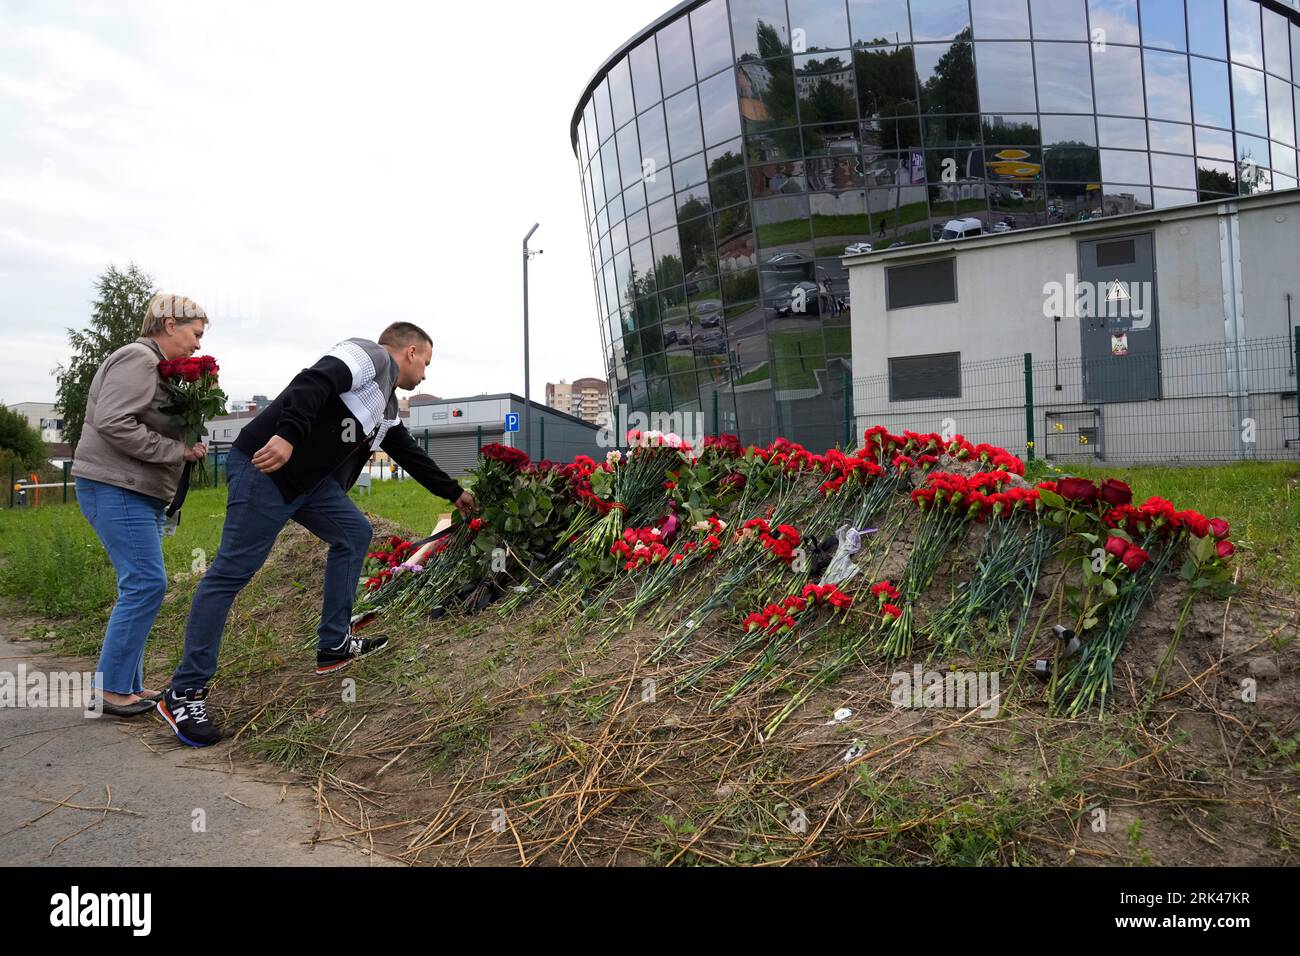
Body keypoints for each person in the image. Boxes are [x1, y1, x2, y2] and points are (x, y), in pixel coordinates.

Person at [158, 322, 476, 746]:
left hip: (308, 484)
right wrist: (288, 435)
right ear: (411, 352)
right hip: (267, 468)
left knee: (354, 532)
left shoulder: (385, 406)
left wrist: (453, 493)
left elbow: (406, 453)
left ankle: (334, 644)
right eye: (427, 364)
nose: (425, 376)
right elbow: (314, 381)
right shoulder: (369, 355)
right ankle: (184, 691)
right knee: (232, 572)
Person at [71, 294, 210, 717]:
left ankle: (125, 684)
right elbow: (113, 421)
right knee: (146, 584)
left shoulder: (155, 366)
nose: (198, 345)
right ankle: (111, 690)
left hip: (135, 490)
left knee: (142, 585)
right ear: (170, 324)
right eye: (195, 333)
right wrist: (176, 450)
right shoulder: (138, 358)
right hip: (116, 486)